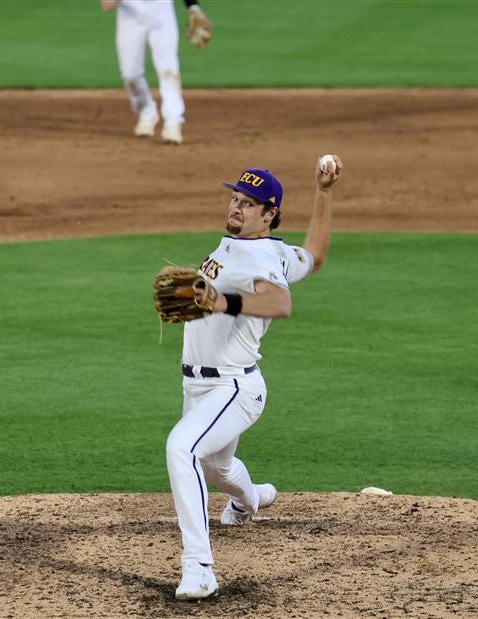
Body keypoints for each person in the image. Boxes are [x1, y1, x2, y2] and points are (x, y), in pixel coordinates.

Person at [164, 154, 343, 600]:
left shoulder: (259, 257)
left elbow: (280, 304)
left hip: (233, 387)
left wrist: (225, 304)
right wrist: (323, 194)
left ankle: (199, 568)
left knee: (181, 447)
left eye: (249, 203)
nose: (236, 208)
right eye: (236, 199)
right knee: (217, 465)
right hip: (200, 386)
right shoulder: (275, 250)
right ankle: (251, 499)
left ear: (269, 214)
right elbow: (316, 257)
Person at [100, 0, 212, 145]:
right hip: (129, 14)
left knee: (168, 69)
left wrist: (193, 6)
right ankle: (147, 110)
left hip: (161, 10)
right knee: (130, 74)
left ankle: (173, 122)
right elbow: (107, 5)